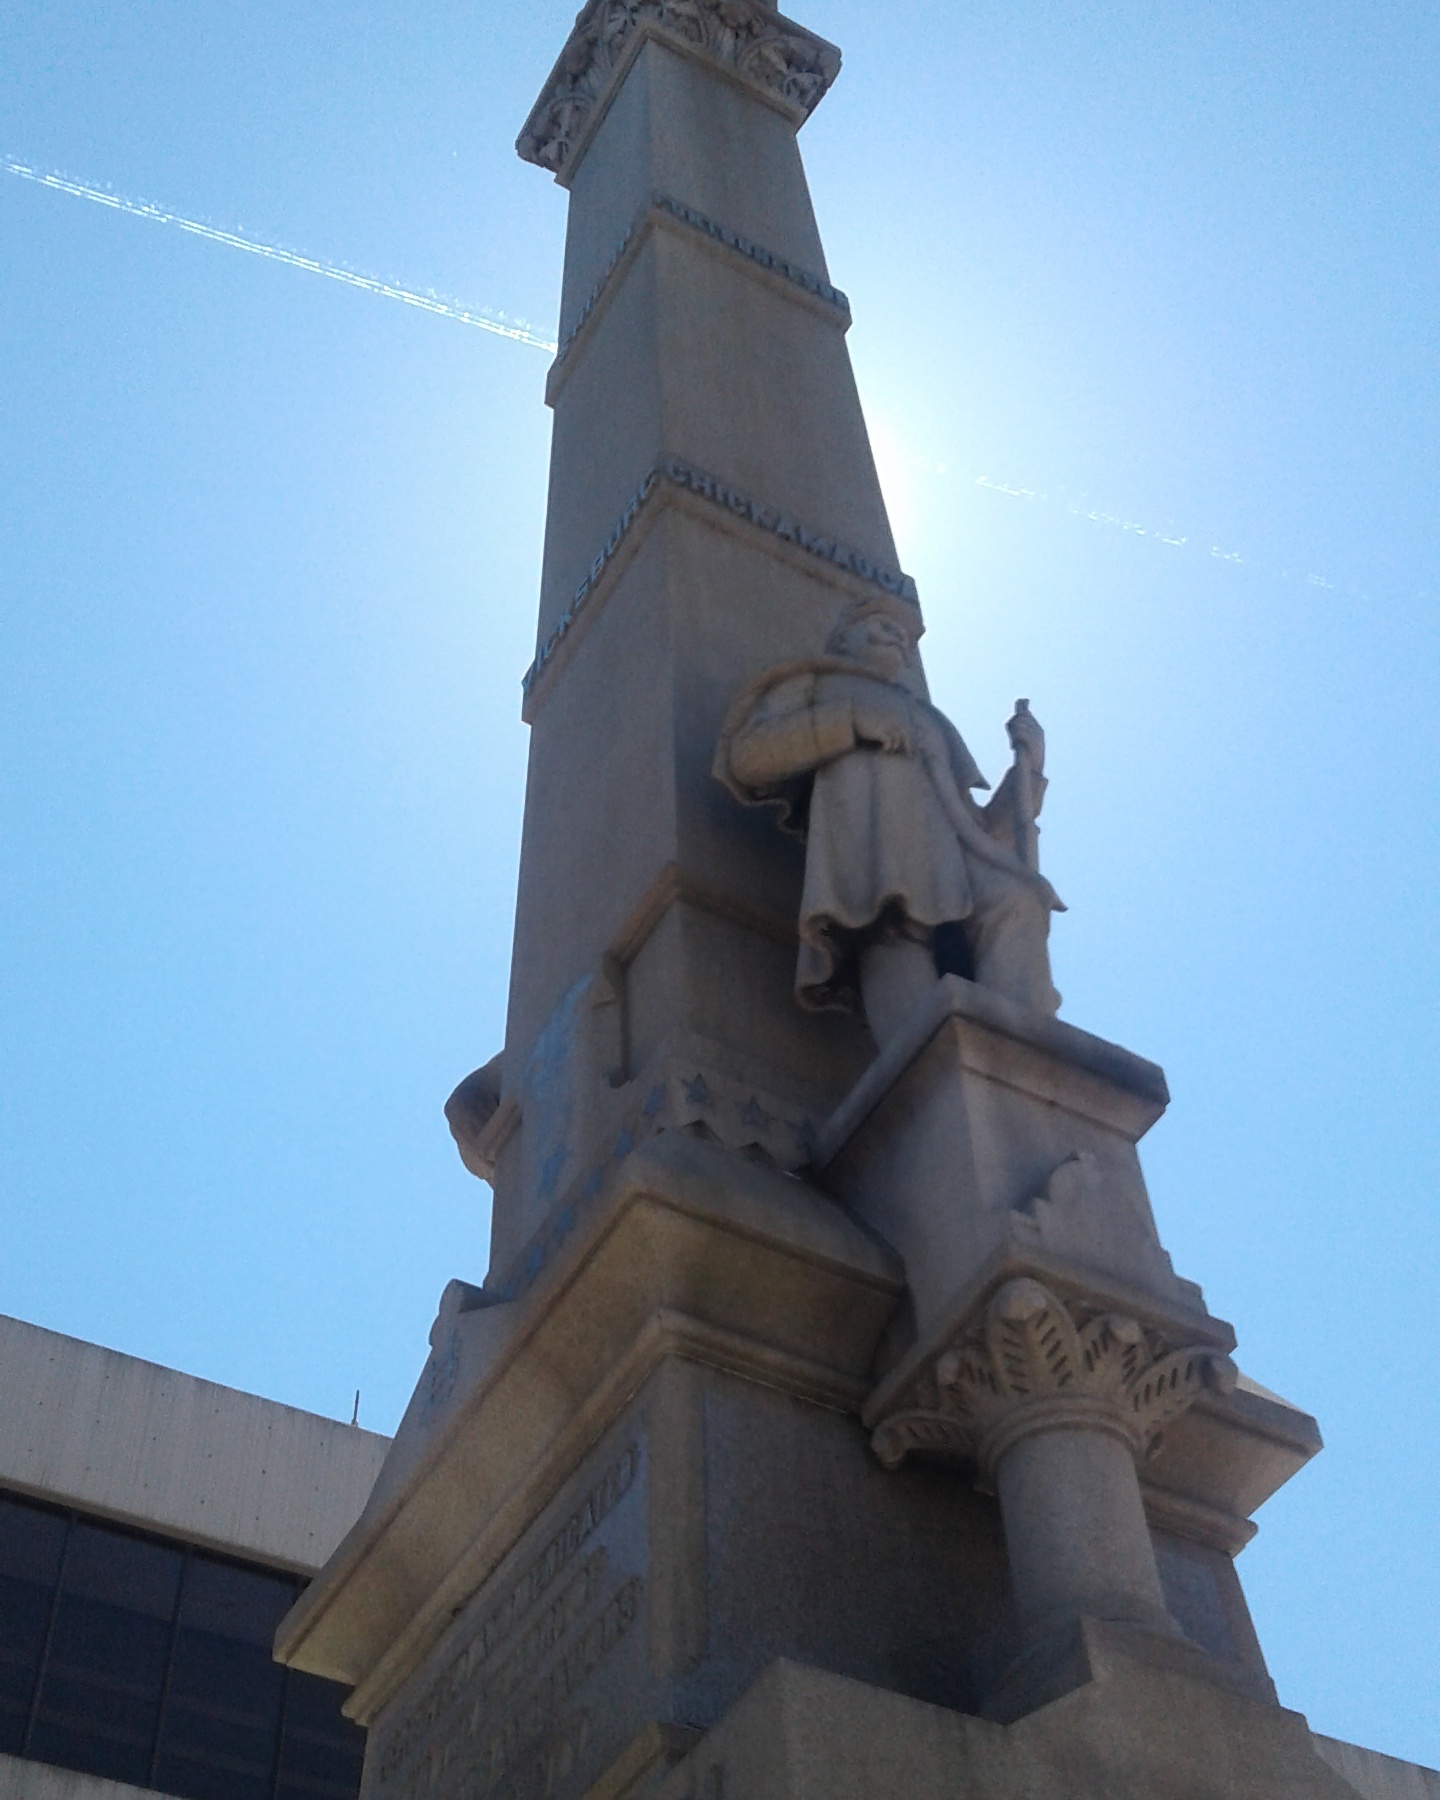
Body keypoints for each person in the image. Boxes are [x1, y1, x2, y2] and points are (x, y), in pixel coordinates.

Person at [713, 597, 1063, 1046]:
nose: (897, 637)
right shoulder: (816, 683)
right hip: (871, 848)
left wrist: (1027, 774)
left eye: (904, 634)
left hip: (948, 857)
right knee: (892, 934)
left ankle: (1026, 1056)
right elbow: (749, 757)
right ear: (843, 640)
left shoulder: (929, 718)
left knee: (1015, 900)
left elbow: (974, 827)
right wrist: (850, 721)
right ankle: (928, 1070)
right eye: (882, 624)